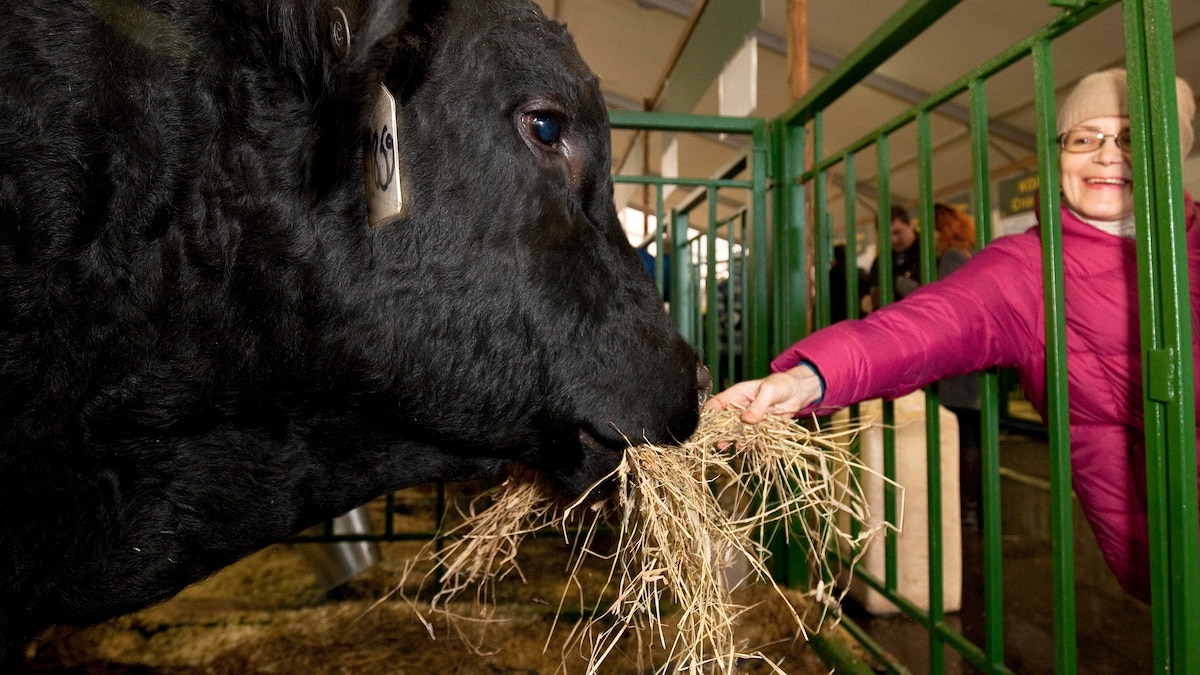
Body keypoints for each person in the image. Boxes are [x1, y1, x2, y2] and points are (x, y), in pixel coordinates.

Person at [707, 68, 1198, 603]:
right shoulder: (1029, 271)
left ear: (1174, 153)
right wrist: (803, 381)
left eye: (1130, 138)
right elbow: (916, 330)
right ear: (1059, 155)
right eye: (1084, 138)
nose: (1106, 155)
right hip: (1168, 554)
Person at [932, 202, 983, 533]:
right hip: (973, 362)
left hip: (960, 366)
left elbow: (943, 302)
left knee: (963, 436)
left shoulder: (951, 258)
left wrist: (902, 288)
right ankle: (972, 510)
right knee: (972, 435)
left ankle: (965, 510)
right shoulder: (970, 253)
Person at [863, 205, 920, 313]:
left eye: (897, 232)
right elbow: (868, 287)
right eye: (886, 235)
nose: (893, 239)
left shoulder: (930, 251)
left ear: (910, 225)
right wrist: (865, 299)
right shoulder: (881, 261)